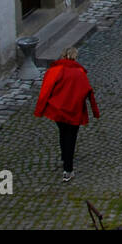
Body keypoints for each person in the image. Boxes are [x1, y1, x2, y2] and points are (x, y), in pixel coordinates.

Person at [34, 46, 99, 182]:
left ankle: (65, 157)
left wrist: (40, 109)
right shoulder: (79, 72)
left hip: (58, 110)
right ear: (75, 57)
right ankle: (68, 169)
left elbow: (46, 90)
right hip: (74, 110)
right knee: (71, 137)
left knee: (63, 134)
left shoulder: (54, 70)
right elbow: (88, 91)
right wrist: (95, 111)